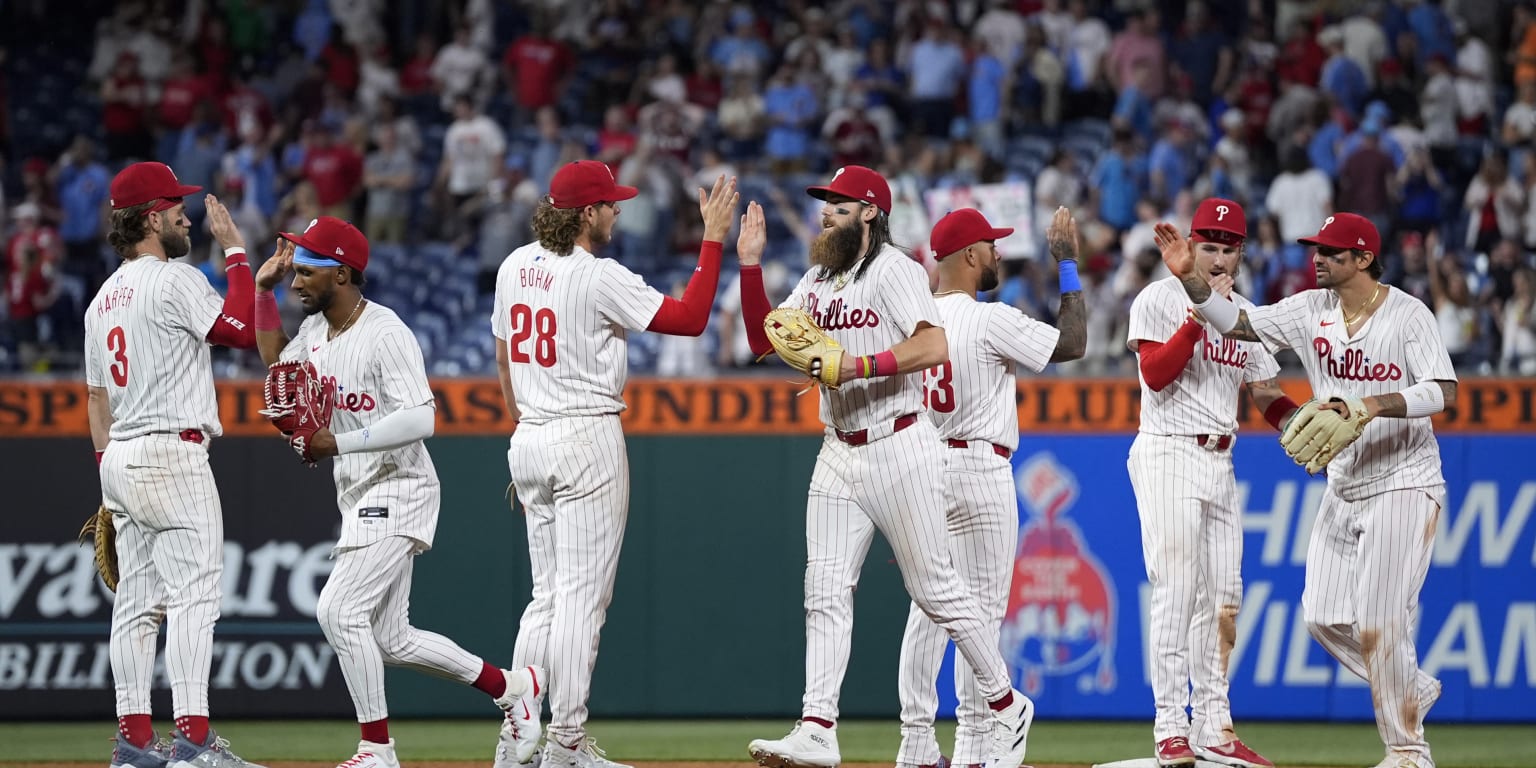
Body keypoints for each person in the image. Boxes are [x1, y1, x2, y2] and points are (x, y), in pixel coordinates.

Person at [737, 165, 1035, 768]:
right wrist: (748, 264)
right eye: (825, 204)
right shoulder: (818, 278)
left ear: (870, 212)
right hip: (838, 447)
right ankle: (818, 725)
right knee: (823, 587)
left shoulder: (896, 270)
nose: (826, 213)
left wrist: (855, 365)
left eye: (839, 205)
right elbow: (763, 339)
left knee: (935, 589)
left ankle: (1007, 705)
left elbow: (933, 347)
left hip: (901, 443)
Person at [1156, 212, 1453, 768]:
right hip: (1345, 484)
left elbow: (1444, 389)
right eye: (1316, 249)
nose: (1317, 258)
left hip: (1405, 480)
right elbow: (1236, 324)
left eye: (1332, 252)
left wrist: (1372, 405)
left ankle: (1409, 752)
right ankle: (1410, 683)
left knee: (1381, 620)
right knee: (1322, 616)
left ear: (1363, 259)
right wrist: (1191, 281)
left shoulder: (1408, 315)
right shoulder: (1308, 309)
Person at [251, 217, 542, 768]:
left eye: (306, 269)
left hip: (399, 484)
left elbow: (423, 417)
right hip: (359, 491)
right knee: (391, 638)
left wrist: (337, 441)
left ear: (341, 272)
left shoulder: (386, 332)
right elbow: (276, 369)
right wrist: (261, 291)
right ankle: (513, 686)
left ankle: (376, 748)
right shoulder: (315, 333)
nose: (296, 279)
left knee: (338, 612)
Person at [490, 162, 740, 768]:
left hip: (531, 435)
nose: (617, 211)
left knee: (545, 598)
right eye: (608, 203)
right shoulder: (596, 276)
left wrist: (526, 429)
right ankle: (566, 745)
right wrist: (711, 238)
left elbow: (503, 358)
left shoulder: (513, 265)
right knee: (580, 601)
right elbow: (689, 319)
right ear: (584, 214)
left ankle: (514, 739)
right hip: (585, 435)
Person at [896, 206, 1087, 768]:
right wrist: (1068, 264)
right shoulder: (989, 318)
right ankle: (977, 746)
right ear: (971, 256)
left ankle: (915, 742)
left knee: (928, 611)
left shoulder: (910, 322)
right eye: (992, 245)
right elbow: (1072, 344)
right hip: (979, 468)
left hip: (921, 469)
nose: (999, 254)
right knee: (977, 614)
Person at [84, 162, 260, 768]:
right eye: (175, 205)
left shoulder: (101, 299)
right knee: (193, 598)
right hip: (170, 451)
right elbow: (238, 331)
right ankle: (194, 741)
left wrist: (109, 475)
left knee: (135, 604)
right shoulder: (171, 278)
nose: (186, 213)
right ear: (150, 217)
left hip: (122, 456)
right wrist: (236, 254)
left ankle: (133, 744)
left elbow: (96, 399)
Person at [1126, 199, 1293, 768]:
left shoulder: (1245, 315)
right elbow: (1155, 373)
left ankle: (1215, 726)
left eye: (1228, 248)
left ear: (1241, 253)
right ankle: (1171, 725)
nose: (1218, 258)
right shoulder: (1158, 297)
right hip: (1169, 449)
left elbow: (1266, 396)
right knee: (1176, 591)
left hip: (1221, 459)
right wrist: (1199, 313)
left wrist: (1305, 426)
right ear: (1191, 247)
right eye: (1209, 246)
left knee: (1224, 598)